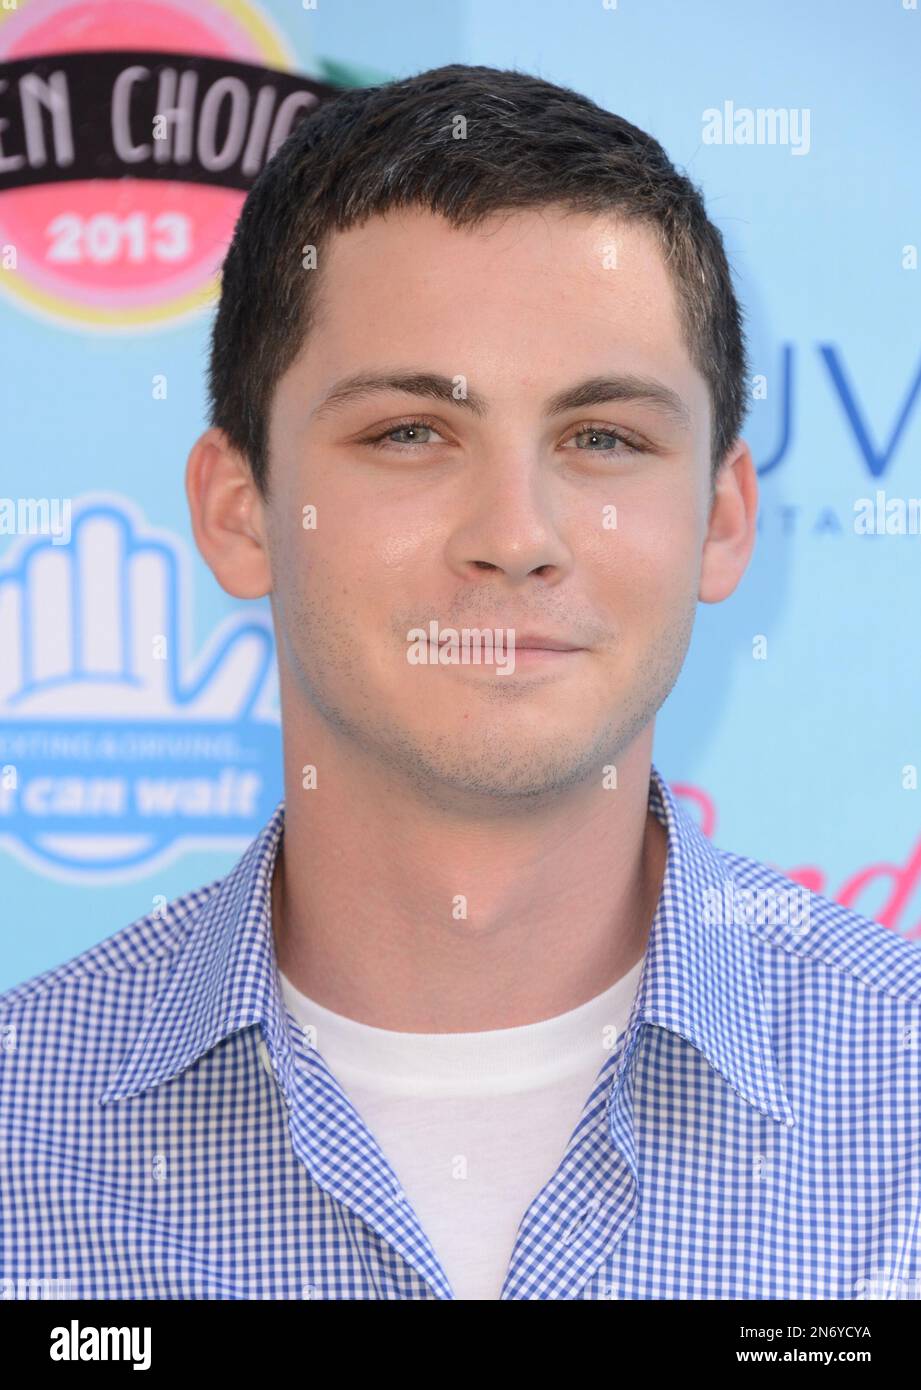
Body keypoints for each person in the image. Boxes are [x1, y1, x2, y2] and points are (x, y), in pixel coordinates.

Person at [2, 63, 919, 1303]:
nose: (516, 531)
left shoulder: (899, 1095)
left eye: (604, 438)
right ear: (238, 509)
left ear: (720, 518)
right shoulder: (23, 1132)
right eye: (410, 434)